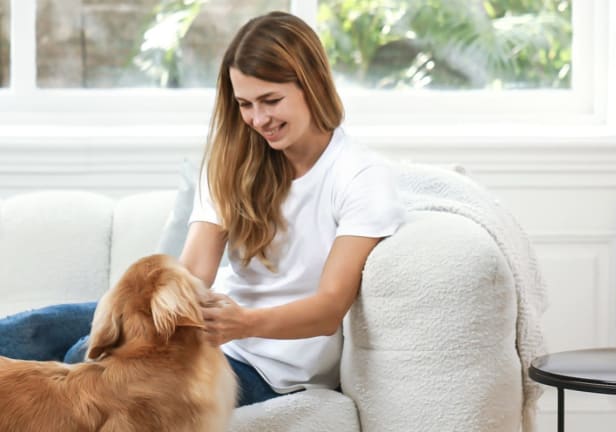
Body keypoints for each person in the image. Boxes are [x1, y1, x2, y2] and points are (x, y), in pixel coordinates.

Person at [0, 11, 405, 407]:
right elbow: (195, 272)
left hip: (273, 369)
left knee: (82, 362)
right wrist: (140, 313)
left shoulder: (360, 176)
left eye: (271, 100)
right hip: (209, 327)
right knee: (28, 332)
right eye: (245, 104)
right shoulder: (235, 163)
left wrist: (243, 323)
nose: (258, 119)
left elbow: (329, 309)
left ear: (312, 84)